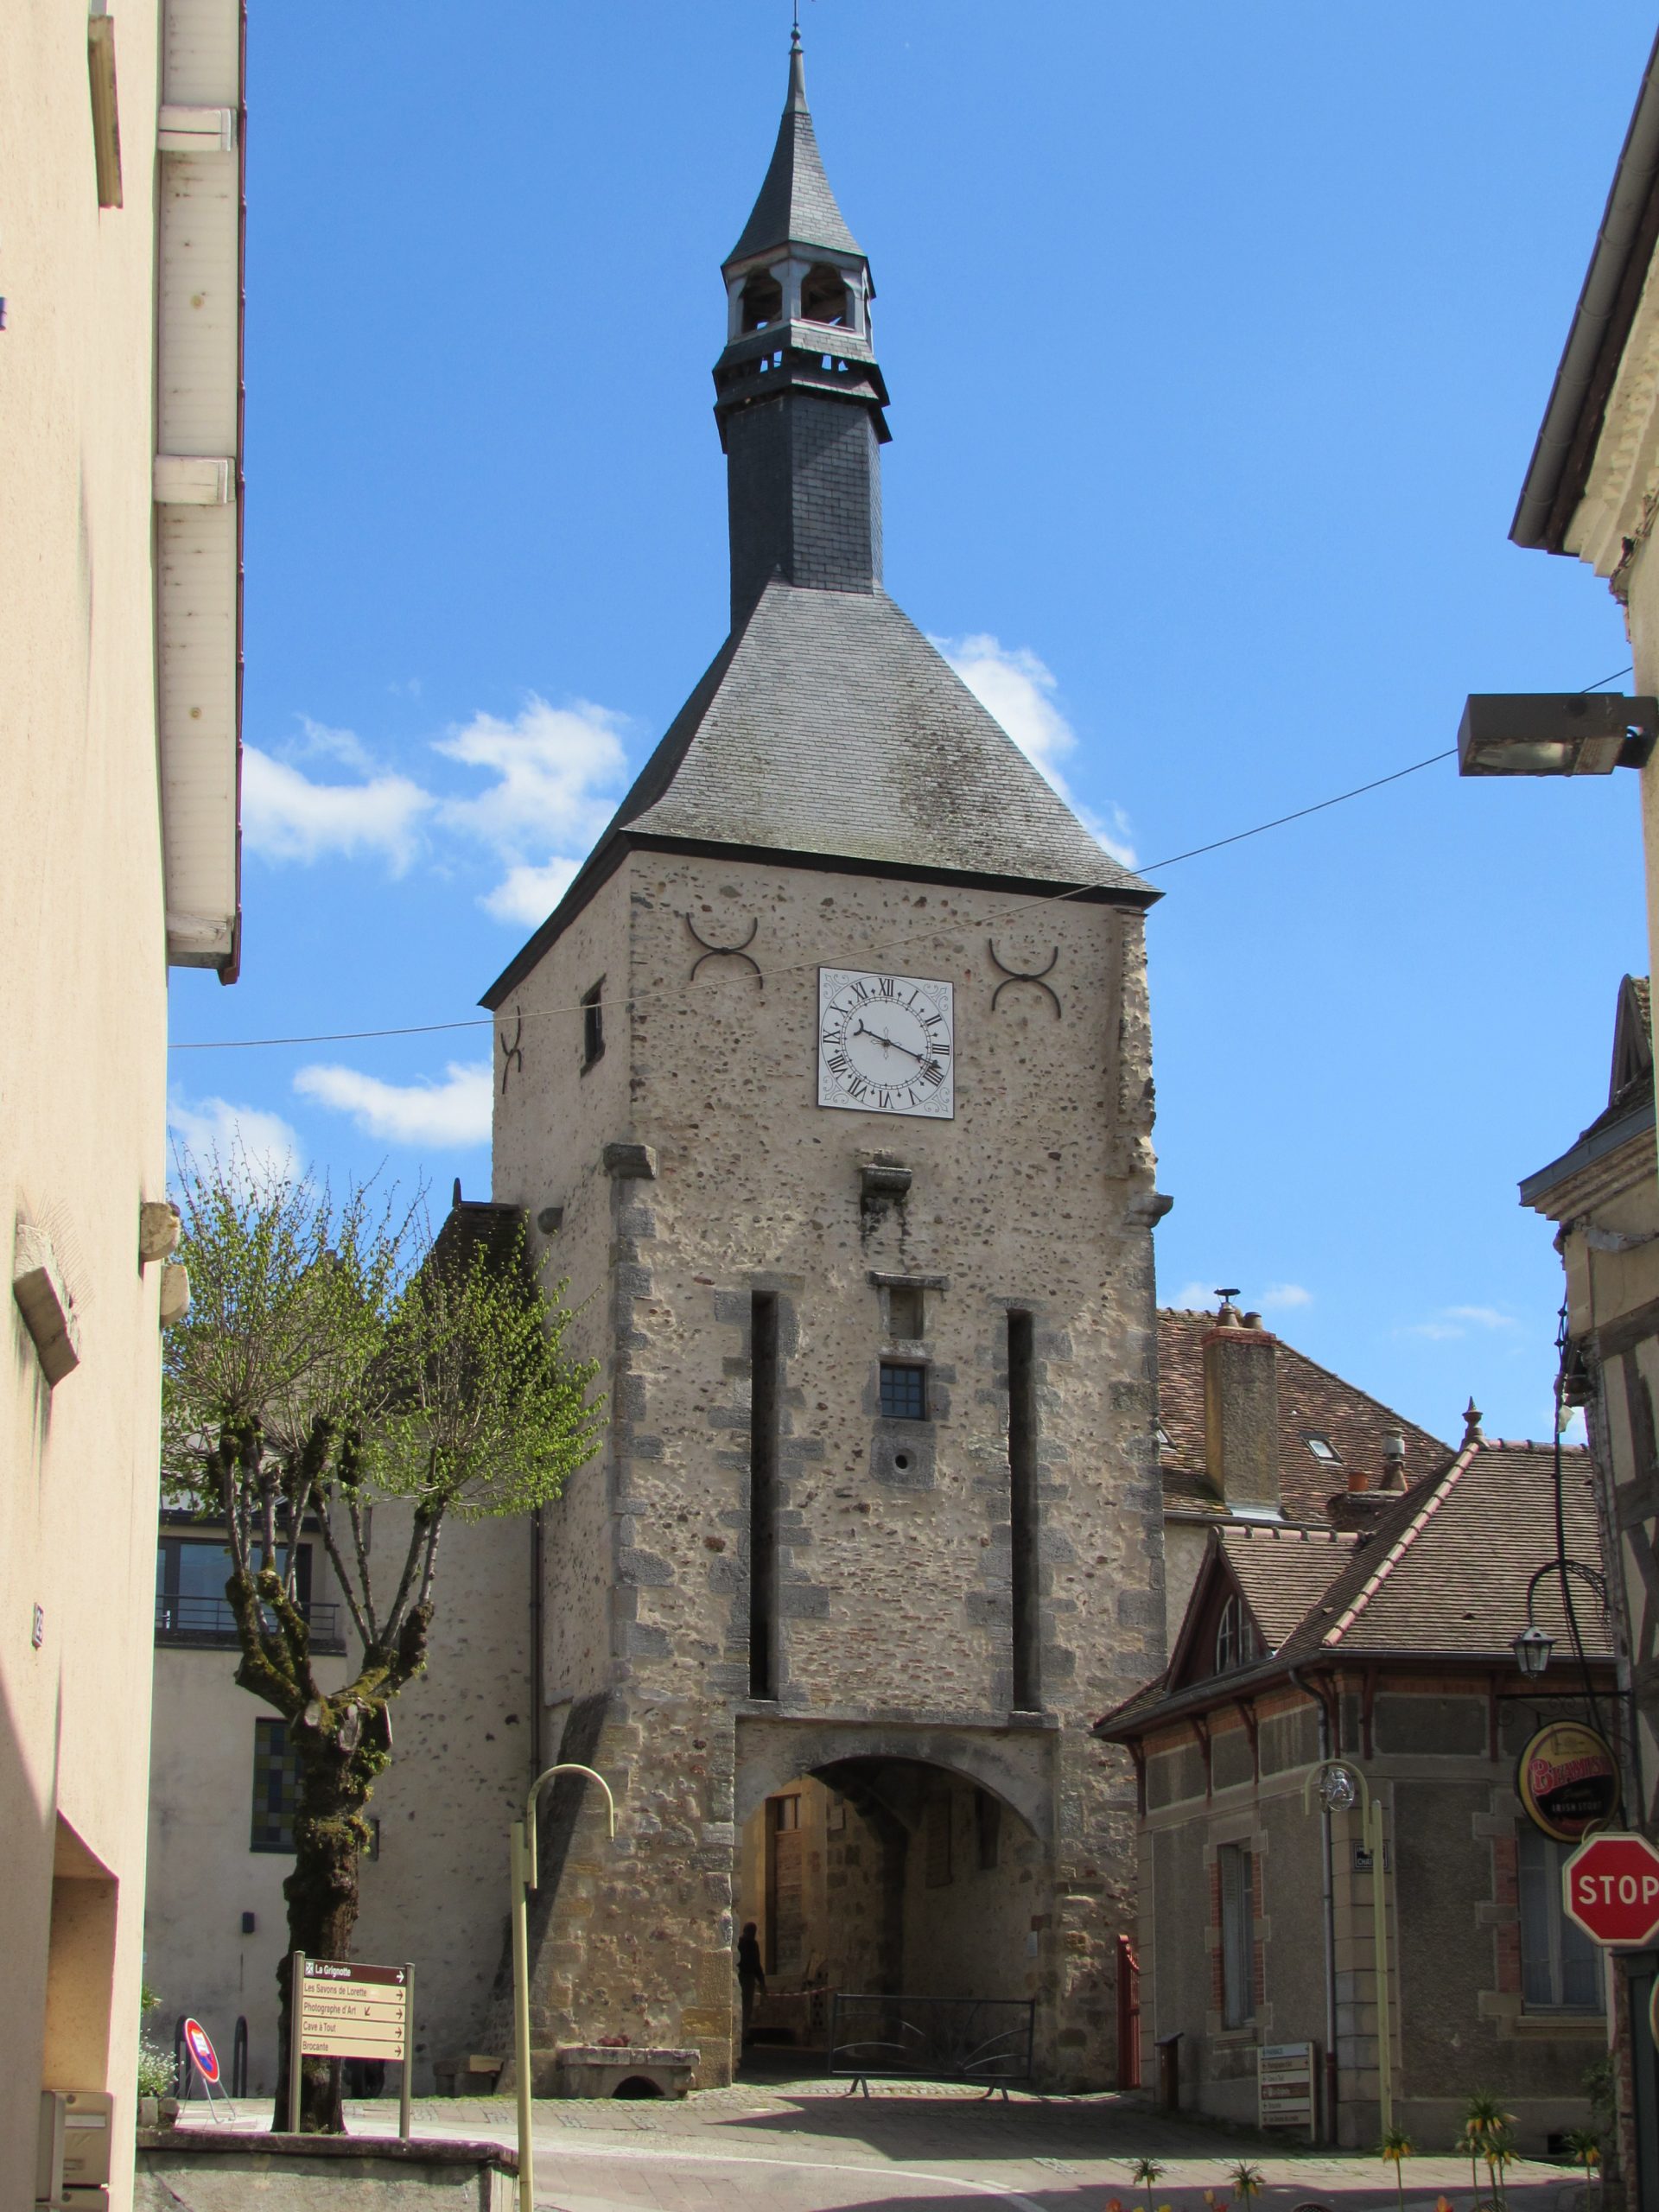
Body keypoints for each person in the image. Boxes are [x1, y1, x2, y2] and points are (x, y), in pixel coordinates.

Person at [736, 1921, 766, 2043]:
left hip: (749, 1978)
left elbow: (757, 1965)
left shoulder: (753, 1945)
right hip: (741, 1977)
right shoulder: (740, 1943)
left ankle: (744, 2034)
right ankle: (740, 2034)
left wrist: (762, 1982)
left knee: (747, 2008)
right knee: (741, 2007)